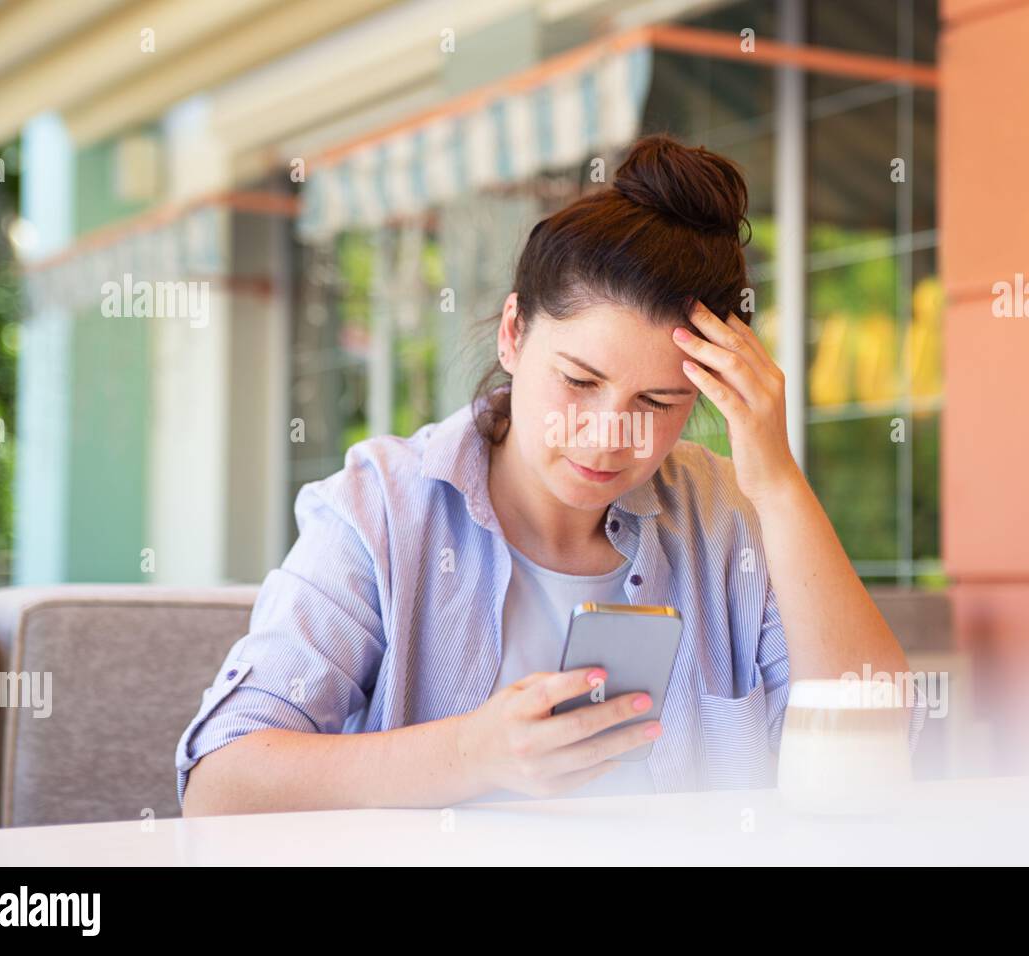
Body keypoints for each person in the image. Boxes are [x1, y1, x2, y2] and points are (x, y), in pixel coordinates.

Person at [177, 133, 924, 816]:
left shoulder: (728, 516)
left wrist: (780, 485)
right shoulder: (382, 509)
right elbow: (221, 785)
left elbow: (882, 745)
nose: (607, 437)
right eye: (578, 380)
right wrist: (474, 753)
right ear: (513, 334)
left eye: (657, 402)